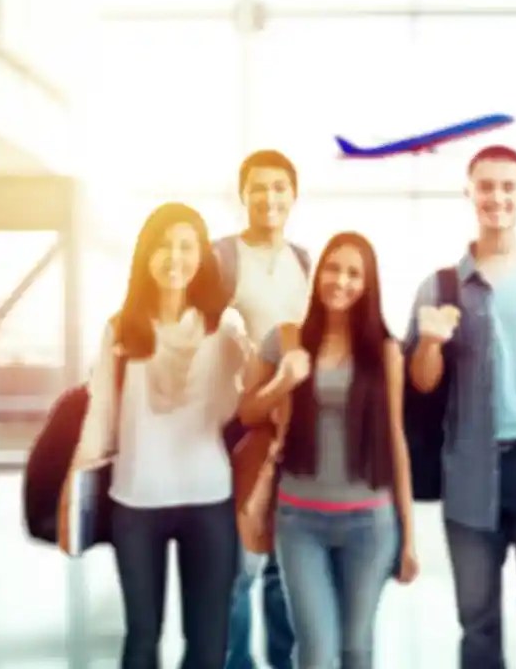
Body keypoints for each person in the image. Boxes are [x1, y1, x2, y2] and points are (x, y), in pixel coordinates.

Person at [405, 145, 516, 669]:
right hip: (468, 467)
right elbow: (420, 382)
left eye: (508, 186)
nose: (496, 197)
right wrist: (431, 342)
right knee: (477, 624)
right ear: (470, 193)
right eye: (486, 186)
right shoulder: (439, 287)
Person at [72, 202, 249, 668]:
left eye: (186, 246)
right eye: (164, 245)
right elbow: (101, 413)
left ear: (202, 256)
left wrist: (246, 357)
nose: (175, 257)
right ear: (145, 255)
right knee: (141, 637)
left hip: (209, 496)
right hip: (137, 500)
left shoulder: (221, 326)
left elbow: (235, 408)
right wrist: (75, 478)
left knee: (209, 643)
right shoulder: (122, 328)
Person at [237, 231, 419, 668]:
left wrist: (409, 537)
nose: (341, 281)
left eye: (354, 273)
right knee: (316, 654)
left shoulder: (385, 352)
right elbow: (248, 412)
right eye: (333, 269)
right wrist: (284, 380)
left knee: (356, 650)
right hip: (300, 522)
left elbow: (396, 439)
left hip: (369, 525)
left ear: (368, 284)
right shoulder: (286, 342)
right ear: (318, 276)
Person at [219, 149, 310, 669]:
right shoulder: (224, 256)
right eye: (258, 187)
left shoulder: (302, 259)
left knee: (281, 566)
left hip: (292, 426)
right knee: (239, 564)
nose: (268, 198)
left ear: (293, 196)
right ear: (243, 194)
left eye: (278, 187)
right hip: (240, 423)